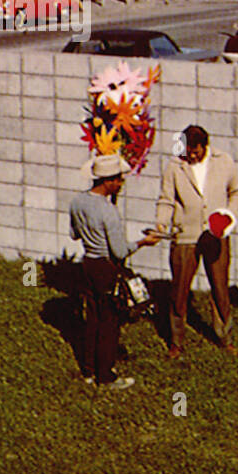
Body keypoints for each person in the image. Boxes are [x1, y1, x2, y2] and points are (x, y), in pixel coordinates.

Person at [69, 154, 161, 389]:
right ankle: (106, 375)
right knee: (109, 321)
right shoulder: (108, 211)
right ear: (108, 181)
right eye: (119, 180)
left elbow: (74, 235)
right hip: (105, 267)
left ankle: (89, 370)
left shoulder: (77, 202)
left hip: (87, 263)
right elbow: (120, 251)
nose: (121, 184)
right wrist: (143, 242)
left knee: (93, 318)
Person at [156, 125, 238, 358]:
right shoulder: (175, 166)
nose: (192, 155)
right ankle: (176, 341)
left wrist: (228, 215)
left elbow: (236, 192)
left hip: (216, 236)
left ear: (206, 146)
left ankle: (226, 337)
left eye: (196, 151)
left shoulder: (224, 161)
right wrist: (161, 223)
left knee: (220, 287)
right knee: (179, 290)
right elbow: (166, 199)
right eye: (188, 151)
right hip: (185, 235)